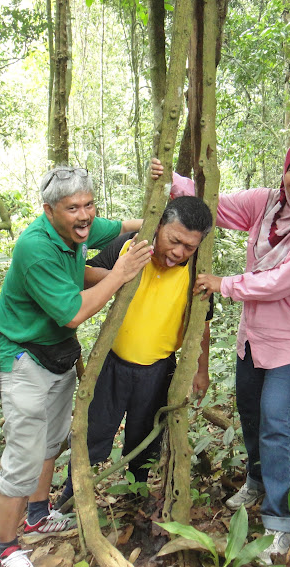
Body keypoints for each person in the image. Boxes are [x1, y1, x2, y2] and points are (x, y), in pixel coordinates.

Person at [151, 138, 290, 566]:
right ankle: (258, 480)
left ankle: (281, 522)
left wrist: (226, 284)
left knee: (276, 418)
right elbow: (211, 203)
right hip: (254, 337)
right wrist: (171, 178)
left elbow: (283, 281)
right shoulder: (266, 204)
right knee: (251, 413)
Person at [0, 166, 152, 567]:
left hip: (58, 354)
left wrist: (161, 214)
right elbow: (73, 312)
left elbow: (123, 226)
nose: (83, 216)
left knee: (52, 439)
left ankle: (37, 514)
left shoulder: (83, 228)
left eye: (88, 205)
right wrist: (121, 272)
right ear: (49, 211)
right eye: (72, 208)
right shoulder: (35, 247)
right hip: (23, 355)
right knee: (23, 451)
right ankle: (6, 550)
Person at [57, 195, 214, 508]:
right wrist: (123, 274)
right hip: (112, 363)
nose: (179, 252)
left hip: (158, 369)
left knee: (145, 437)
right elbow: (85, 273)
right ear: (158, 229)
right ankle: (68, 499)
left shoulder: (196, 273)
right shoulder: (132, 246)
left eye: (189, 247)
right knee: (94, 431)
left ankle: (136, 496)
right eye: (174, 240)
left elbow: (202, 326)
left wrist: (201, 370)